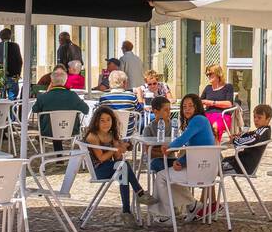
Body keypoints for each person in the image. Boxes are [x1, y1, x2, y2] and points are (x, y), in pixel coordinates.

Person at [150, 93, 216, 223]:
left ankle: (167, 214)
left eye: (191, 106)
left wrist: (168, 147)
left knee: (162, 176)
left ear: (197, 107)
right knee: (169, 175)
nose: (187, 109)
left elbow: (182, 140)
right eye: (184, 106)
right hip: (205, 170)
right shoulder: (202, 120)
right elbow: (196, 148)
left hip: (197, 171)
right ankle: (192, 206)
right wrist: (180, 161)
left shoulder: (198, 120)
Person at [84, 106, 155, 219]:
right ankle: (140, 193)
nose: (106, 123)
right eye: (102, 120)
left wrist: (121, 148)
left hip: (109, 167)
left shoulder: (111, 134)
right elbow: (101, 158)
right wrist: (116, 149)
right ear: (96, 121)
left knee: (123, 172)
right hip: (98, 170)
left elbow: (117, 157)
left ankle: (126, 212)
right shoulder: (93, 136)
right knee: (123, 167)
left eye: (108, 120)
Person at [34, 67, 88, 153]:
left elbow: (34, 109)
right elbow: (86, 110)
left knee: (54, 123)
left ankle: (57, 156)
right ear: (65, 81)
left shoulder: (44, 97)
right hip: (71, 130)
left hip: (48, 130)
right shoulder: (73, 96)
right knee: (57, 123)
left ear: (52, 81)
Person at [222, 104, 272, 177]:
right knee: (215, 164)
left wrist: (235, 140)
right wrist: (239, 136)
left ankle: (209, 186)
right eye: (254, 117)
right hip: (240, 163)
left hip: (243, 167)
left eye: (259, 118)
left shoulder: (263, 131)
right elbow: (250, 135)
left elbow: (253, 139)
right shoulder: (261, 130)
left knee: (211, 169)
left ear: (268, 119)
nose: (256, 119)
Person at [200, 65, 235, 140]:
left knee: (215, 126)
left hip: (222, 115)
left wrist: (211, 102)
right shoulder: (208, 88)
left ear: (218, 74)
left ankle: (216, 147)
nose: (208, 76)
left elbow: (229, 104)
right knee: (197, 124)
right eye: (207, 74)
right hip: (208, 114)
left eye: (210, 74)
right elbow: (200, 101)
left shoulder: (228, 87)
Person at [0, 28, 22, 97]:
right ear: (10, 36)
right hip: (13, 76)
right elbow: (19, 62)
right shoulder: (15, 46)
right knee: (12, 99)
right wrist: (17, 76)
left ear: (0, 36)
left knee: (0, 99)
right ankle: (11, 108)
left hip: (0, 77)